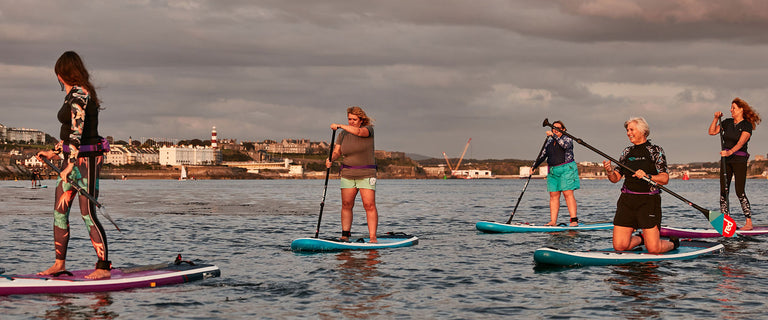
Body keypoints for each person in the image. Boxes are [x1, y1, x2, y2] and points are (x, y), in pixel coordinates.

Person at [35, 51, 111, 279]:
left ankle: (103, 268)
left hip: (86, 160)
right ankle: (59, 264)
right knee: (60, 213)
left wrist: (69, 165)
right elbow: (69, 135)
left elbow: (77, 133)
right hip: (72, 159)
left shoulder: (80, 94)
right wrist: (53, 151)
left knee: (88, 213)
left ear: (61, 74)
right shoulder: (72, 95)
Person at [602, 117, 677, 254]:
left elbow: (664, 178)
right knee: (619, 247)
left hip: (648, 201)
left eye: (631, 129)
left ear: (642, 131)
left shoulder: (655, 151)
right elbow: (615, 178)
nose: (628, 133)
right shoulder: (626, 152)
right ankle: (641, 239)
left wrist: (648, 176)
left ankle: (673, 242)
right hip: (627, 201)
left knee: (653, 249)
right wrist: (609, 171)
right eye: (627, 130)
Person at [326, 106, 378, 243]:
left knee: (369, 205)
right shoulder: (342, 135)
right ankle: (345, 235)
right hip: (348, 173)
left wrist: (339, 125)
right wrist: (331, 158)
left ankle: (373, 237)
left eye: (354, 119)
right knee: (346, 204)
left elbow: (360, 133)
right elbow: (337, 151)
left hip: (366, 173)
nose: (351, 122)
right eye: (349, 119)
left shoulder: (368, 130)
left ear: (361, 120)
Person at [708, 97, 761, 231]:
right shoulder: (727, 122)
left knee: (739, 191)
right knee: (723, 192)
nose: (731, 110)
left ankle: (748, 222)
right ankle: (726, 222)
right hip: (726, 160)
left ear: (741, 109)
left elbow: (741, 143)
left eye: (734, 108)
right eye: (731, 108)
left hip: (739, 160)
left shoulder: (746, 125)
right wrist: (715, 118)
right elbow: (712, 132)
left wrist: (730, 151)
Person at [533, 120, 580, 226]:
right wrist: (534, 166)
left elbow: (564, 145)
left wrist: (553, 136)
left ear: (563, 129)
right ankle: (553, 221)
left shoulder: (568, 138)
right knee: (553, 195)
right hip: (553, 171)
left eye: (558, 128)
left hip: (566, 168)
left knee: (567, 193)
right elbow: (543, 155)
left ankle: (574, 220)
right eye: (553, 128)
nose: (555, 130)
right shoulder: (549, 142)